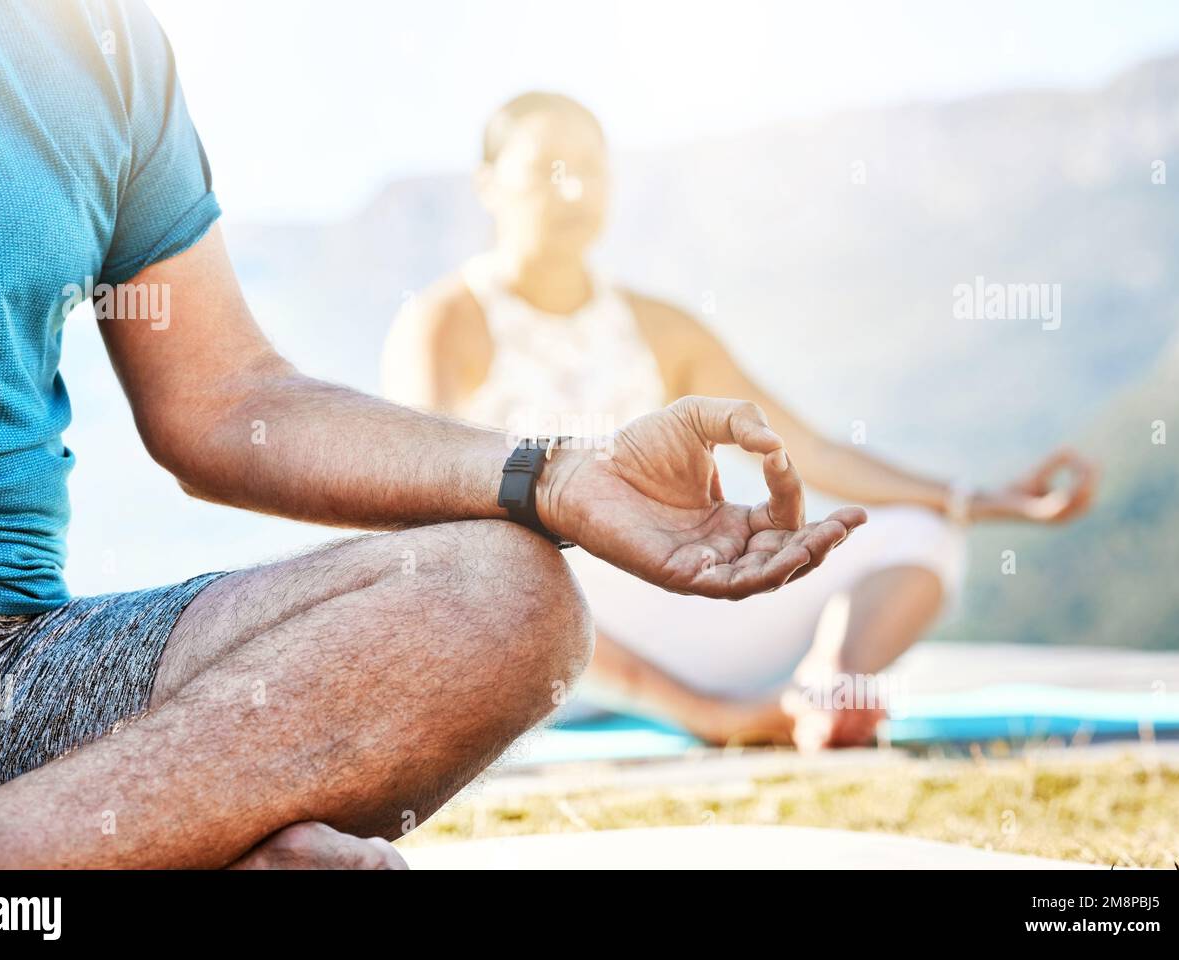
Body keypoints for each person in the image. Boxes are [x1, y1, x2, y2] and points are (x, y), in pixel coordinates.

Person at [0, 3, 864, 870]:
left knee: (509, 596)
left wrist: (560, 479)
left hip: (12, 663)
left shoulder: (101, 43)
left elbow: (224, 399)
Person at [383, 91, 1098, 749]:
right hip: (540, 636)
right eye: (548, 169)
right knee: (498, 563)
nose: (574, 189)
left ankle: (829, 687)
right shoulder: (444, 321)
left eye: (592, 168)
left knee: (921, 535)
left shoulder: (661, 326)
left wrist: (978, 500)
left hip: (680, 599)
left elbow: (808, 451)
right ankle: (719, 718)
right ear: (488, 185)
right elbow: (425, 503)